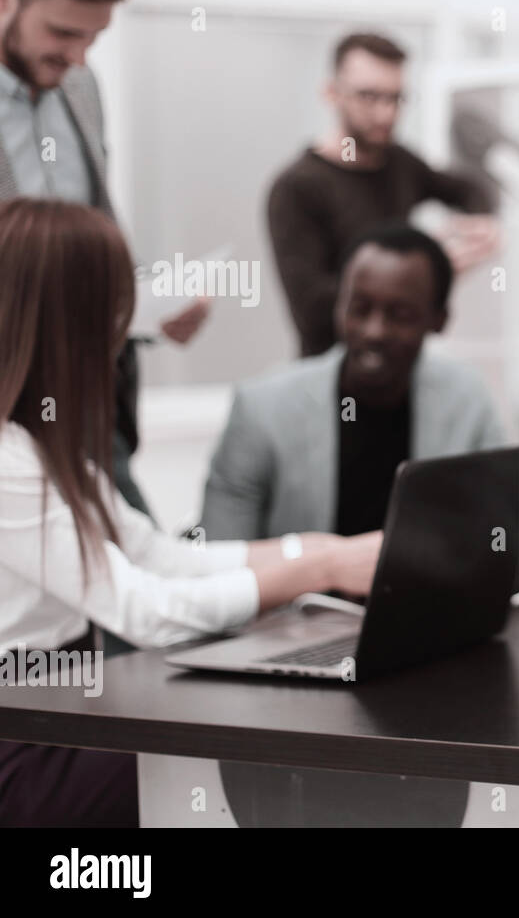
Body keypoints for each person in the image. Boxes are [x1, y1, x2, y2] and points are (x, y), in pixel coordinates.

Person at [0, 198, 384, 827]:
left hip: (63, 712)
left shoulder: (47, 446)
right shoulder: (10, 462)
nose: (123, 332)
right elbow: (142, 610)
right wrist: (319, 569)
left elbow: (155, 554)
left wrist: (308, 550)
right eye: (113, 309)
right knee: (245, 749)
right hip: (24, 750)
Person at [0, 0, 210, 518]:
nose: (79, 57)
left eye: (93, 39)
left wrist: (149, 309)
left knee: (129, 548)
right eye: (63, 34)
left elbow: (97, 222)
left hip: (93, 388)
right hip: (13, 391)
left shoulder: (80, 86)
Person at [200, 223, 505, 541]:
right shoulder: (262, 410)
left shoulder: (468, 400)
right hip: (297, 592)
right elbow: (219, 561)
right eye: (360, 309)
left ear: (439, 320)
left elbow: (499, 534)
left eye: (399, 315)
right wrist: (331, 566)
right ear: (339, 305)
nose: (375, 331)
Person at [268, 31, 499, 358]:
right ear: (332, 93)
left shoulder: (398, 163)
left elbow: (470, 191)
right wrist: (428, 270)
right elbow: (314, 312)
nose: (386, 113)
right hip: (332, 379)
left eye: (396, 98)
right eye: (368, 97)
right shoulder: (297, 188)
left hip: (403, 369)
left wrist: (477, 226)